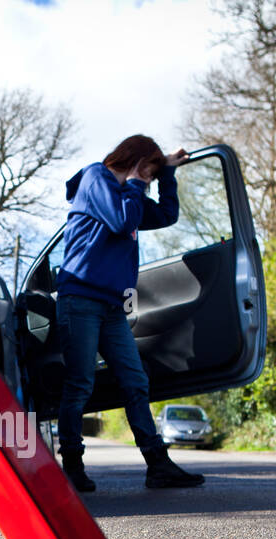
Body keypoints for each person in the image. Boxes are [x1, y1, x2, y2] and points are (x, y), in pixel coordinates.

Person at [54, 134, 204, 492]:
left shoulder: (132, 198)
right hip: (81, 301)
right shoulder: (95, 178)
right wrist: (138, 182)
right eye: (149, 173)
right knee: (80, 384)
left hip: (110, 308)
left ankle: (158, 465)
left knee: (136, 382)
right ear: (135, 161)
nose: (150, 183)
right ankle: (72, 465)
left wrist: (167, 173)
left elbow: (167, 215)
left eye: (153, 178)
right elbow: (121, 221)